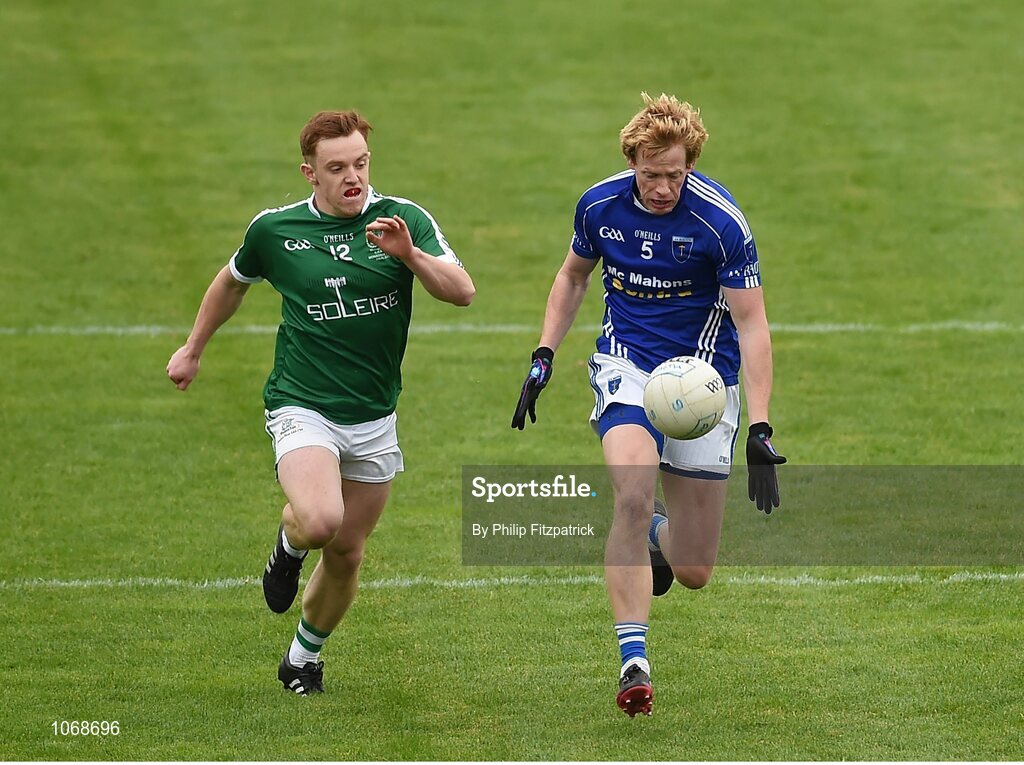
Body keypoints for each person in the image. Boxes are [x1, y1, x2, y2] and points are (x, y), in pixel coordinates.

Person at [167, 110, 475, 695]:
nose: (352, 177)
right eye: (337, 168)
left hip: (375, 416)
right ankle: (288, 544)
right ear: (310, 173)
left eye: (360, 163)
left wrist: (409, 255)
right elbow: (231, 281)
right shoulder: (275, 232)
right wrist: (193, 348)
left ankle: (302, 659)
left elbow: (461, 292)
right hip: (302, 403)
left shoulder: (402, 220)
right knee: (320, 520)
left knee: (347, 553)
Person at [511, 93, 785, 717]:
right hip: (627, 367)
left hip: (704, 384)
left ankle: (660, 539)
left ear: (693, 162)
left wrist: (761, 426)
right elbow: (574, 276)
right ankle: (633, 659)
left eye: (675, 172)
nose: (662, 187)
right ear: (632, 159)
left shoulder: (722, 223)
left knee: (693, 570)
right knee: (631, 493)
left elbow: (753, 324)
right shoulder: (600, 205)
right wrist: (544, 354)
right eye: (650, 172)